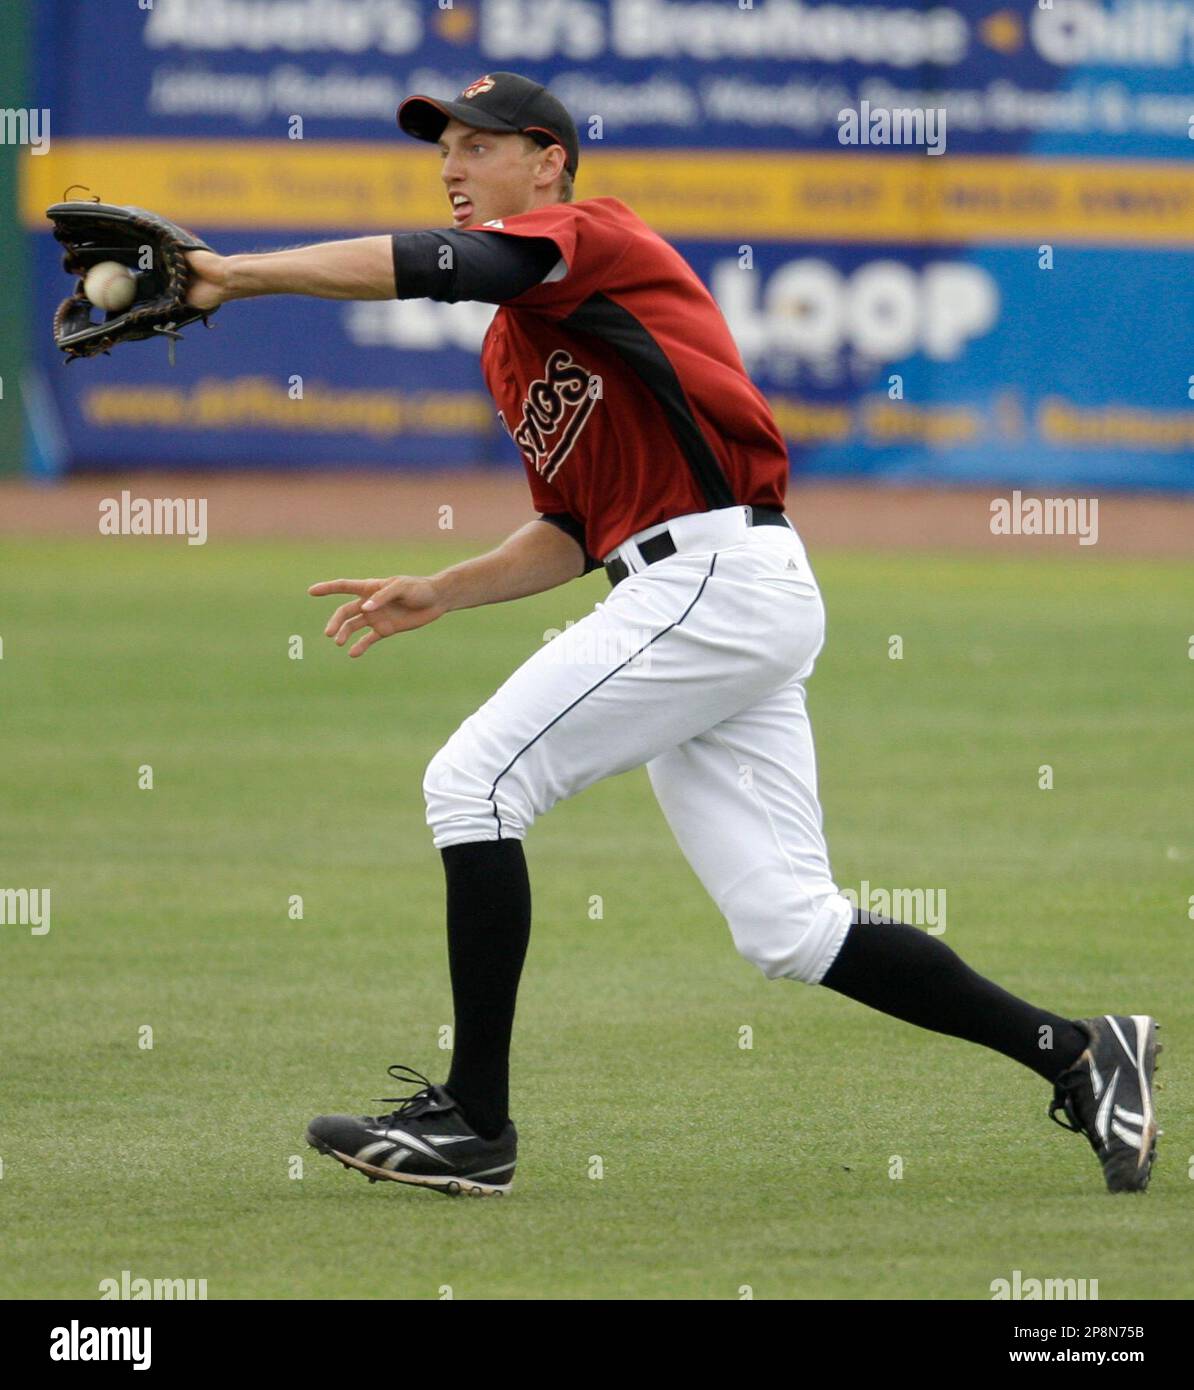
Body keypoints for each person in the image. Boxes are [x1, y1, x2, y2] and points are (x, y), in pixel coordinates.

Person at [185, 72, 1159, 1199]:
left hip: (715, 577)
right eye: (441, 146)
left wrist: (239, 275)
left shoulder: (587, 238)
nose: (452, 164)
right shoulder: (515, 349)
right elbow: (575, 528)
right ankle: (1082, 1052)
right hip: (709, 590)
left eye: (477, 144)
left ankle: (476, 1121)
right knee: (789, 925)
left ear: (547, 160)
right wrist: (445, 589)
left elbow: (442, 267)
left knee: (474, 784)